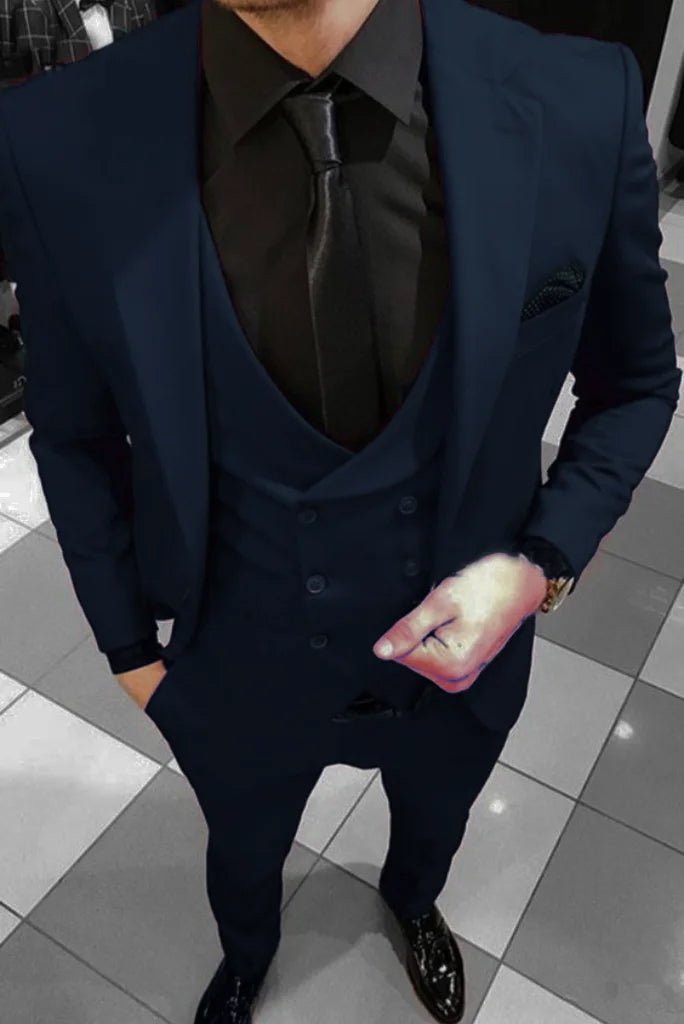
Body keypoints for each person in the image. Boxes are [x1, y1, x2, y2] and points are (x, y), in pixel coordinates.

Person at [0, 0, 679, 1021]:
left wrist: (541, 564)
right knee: (241, 847)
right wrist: (130, 652)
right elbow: (72, 431)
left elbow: (636, 382)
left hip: (467, 659)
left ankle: (411, 900)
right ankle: (248, 954)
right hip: (233, 657)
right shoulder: (56, 134)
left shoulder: (580, 98)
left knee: (435, 822)